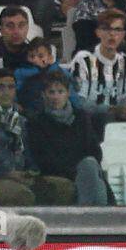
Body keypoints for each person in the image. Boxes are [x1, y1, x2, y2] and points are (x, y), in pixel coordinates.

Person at [0, 68, 77, 205]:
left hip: (20, 178)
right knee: (22, 195)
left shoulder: (21, 119)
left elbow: (28, 154)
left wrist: (31, 172)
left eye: (11, 87)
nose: (6, 92)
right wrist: (6, 174)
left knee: (65, 187)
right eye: (1, 87)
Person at [27, 73, 115, 205]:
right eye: (51, 92)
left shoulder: (81, 117)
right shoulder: (36, 123)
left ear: (67, 93)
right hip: (56, 173)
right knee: (91, 174)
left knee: (89, 165)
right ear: (43, 95)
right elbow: (43, 158)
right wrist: (75, 168)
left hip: (84, 168)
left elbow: (94, 150)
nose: (56, 97)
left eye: (60, 92)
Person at [68, 9, 126, 132]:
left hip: (116, 113)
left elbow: (125, 95)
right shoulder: (83, 59)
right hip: (90, 118)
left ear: (123, 34)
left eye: (117, 30)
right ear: (98, 32)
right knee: (106, 119)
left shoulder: (123, 61)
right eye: (107, 29)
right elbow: (81, 102)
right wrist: (113, 110)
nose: (112, 34)